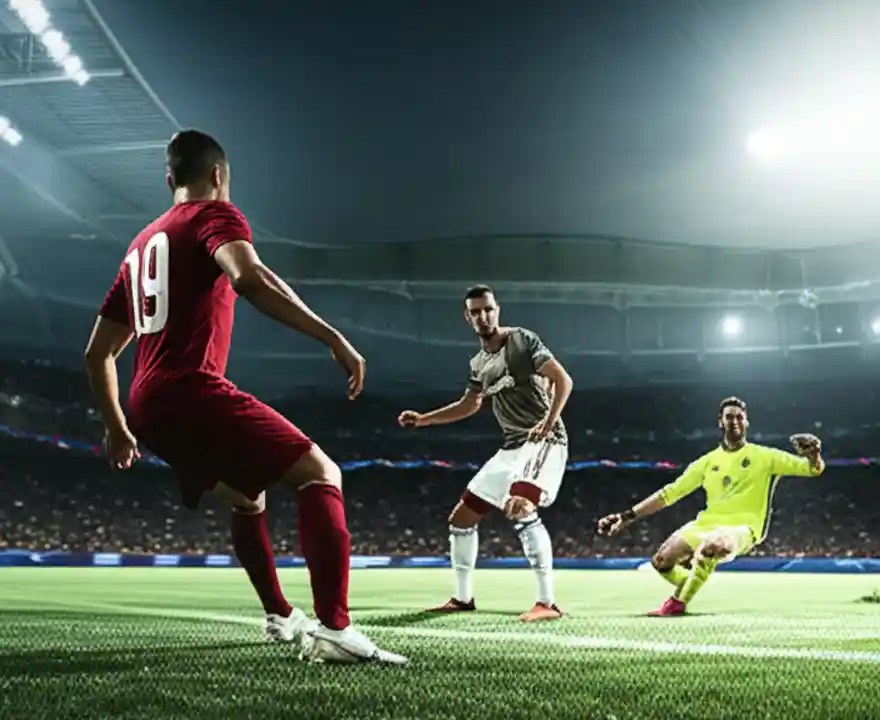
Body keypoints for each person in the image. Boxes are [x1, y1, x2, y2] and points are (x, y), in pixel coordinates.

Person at [83, 129, 404, 664]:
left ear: (170, 180)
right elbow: (250, 278)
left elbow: (97, 353)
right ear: (218, 175)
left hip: (146, 404)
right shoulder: (216, 215)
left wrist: (117, 427)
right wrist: (334, 338)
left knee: (248, 498)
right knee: (322, 474)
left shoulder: (140, 246)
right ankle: (334, 630)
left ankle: (280, 615)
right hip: (190, 388)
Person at [397, 285, 573, 622]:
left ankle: (547, 603)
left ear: (497, 310)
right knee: (461, 517)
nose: (483, 316)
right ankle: (463, 598)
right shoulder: (479, 363)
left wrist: (549, 422)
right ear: (468, 317)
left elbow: (563, 380)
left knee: (520, 507)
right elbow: (469, 404)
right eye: (476, 312)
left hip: (542, 442)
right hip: (510, 448)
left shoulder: (521, 340)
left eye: (488, 309)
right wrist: (423, 419)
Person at [596, 396, 824, 616]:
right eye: (729, 417)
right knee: (661, 561)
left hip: (743, 528)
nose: (734, 421)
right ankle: (690, 582)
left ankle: (677, 603)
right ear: (720, 422)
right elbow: (670, 493)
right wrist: (627, 516)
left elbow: (811, 469)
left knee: (713, 545)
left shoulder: (766, 456)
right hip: (706, 523)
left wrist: (813, 454)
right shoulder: (706, 462)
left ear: (746, 422)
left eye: (738, 417)